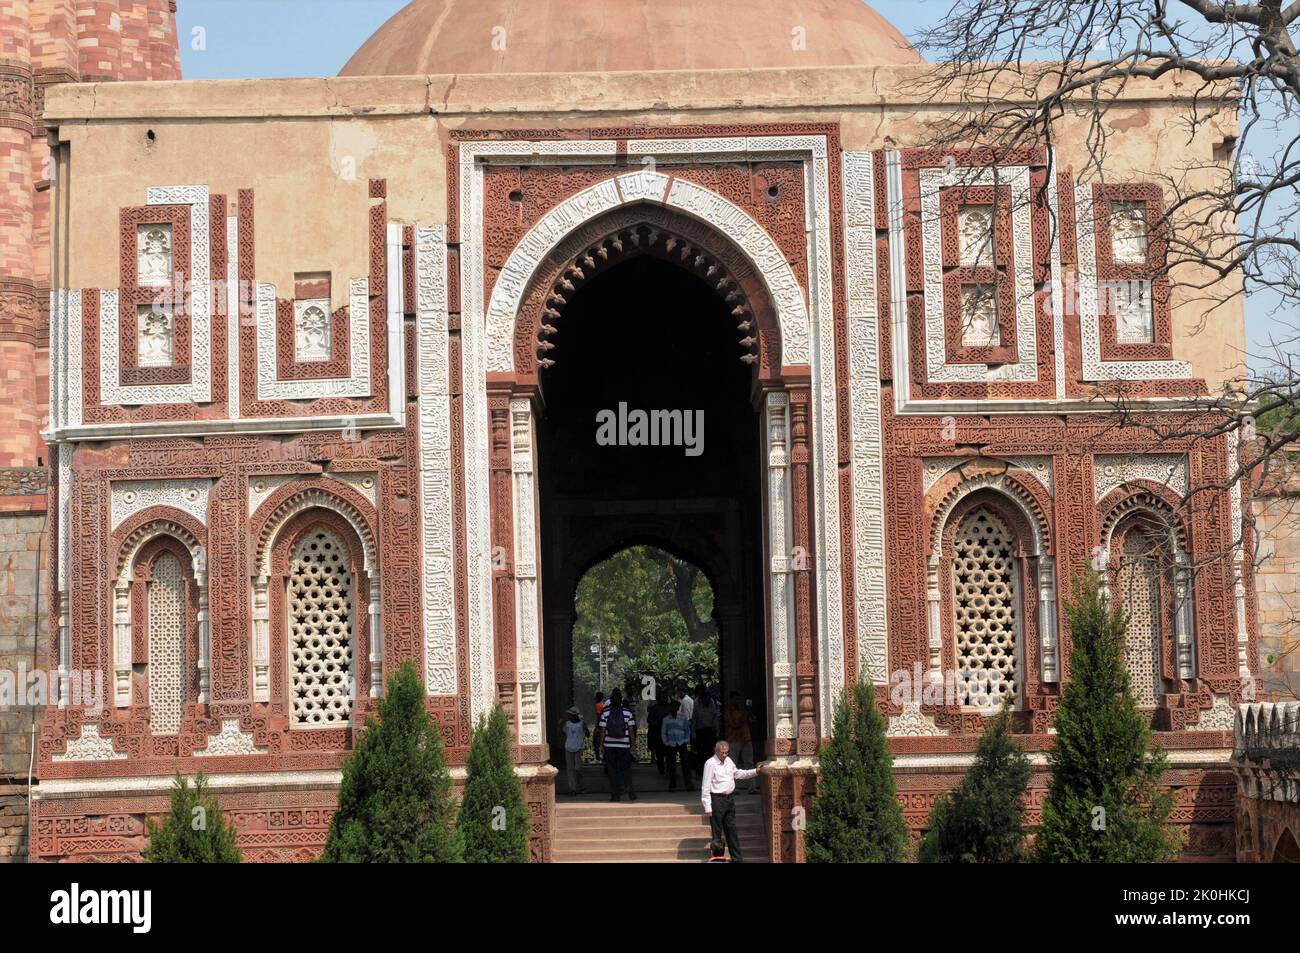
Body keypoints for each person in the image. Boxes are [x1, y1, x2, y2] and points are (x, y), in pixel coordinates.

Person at [701, 740, 757, 862]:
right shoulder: (710, 763)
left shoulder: (729, 761)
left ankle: (737, 859)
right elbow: (705, 786)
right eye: (722, 753)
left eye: (727, 752)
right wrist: (708, 807)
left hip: (729, 799)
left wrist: (755, 771)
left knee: (731, 830)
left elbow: (738, 774)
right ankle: (717, 859)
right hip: (716, 800)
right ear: (716, 751)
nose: (725, 755)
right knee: (717, 833)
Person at [598, 689, 638, 802]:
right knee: (626, 769)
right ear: (621, 701)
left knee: (612, 770)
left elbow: (602, 730)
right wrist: (633, 745)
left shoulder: (605, 712)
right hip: (624, 745)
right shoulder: (627, 712)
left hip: (609, 745)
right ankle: (629, 788)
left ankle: (615, 795)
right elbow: (631, 730)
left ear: (610, 700)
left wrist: (601, 745)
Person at [724, 691, 756, 794]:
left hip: (746, 738)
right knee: (732, 763)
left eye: (738, 699)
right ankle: (732, 788)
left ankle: (752, 787)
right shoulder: (729, 710)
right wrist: (745, 713)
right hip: (734, 739)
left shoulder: (743, 709)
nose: (737, 701)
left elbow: (753, 720)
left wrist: (749, 711)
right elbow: (735, 723)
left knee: (749, 762)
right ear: (731, 700)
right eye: (735, 699)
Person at [660, 700, 692, 790]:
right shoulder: (666, 719)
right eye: (672, 707)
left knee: (685, 764)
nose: (673, 708)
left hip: (681, 742)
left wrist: (686, 740)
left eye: (675, 707)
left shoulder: (683, 718)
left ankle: (688, 783)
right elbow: (663, 732)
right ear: (670, 708)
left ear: (678, 708)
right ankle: (672, 783)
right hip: (671, 744)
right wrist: (665, 742)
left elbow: (687, 730)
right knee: (671, 765)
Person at [560, 706, 588, 796]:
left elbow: (587, 734)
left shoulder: (582, 724)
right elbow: (562, 733)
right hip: (569, 747)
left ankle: (580, 786)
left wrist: (585, 726)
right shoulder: (567, 723)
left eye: (569, 714)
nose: (568, 715)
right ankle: (573, 788)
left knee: (578, 768)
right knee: (570, 769)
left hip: (578, 748)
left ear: (573, 715)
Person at [691, 683, 719, 774]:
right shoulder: (696, 701)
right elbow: (694, 717)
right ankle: (699, 771)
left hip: (709, 729)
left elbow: (714, 715)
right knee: (700, 752)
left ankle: (710, 771)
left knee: (710, 751)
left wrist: (716, 729)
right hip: (700, 729)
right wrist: (693, 731)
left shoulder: (710, 700)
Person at [647, 694, 667, 774]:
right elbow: (649, 719)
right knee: (660, 752)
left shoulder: (668, 707)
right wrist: (658, 724)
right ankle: (661, 767)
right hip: (658, 733)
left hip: (667, 733)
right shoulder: (654, 708)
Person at [592, 692, 606, 763]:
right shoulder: (603, 705)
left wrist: (597, 726)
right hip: (603, 726)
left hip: (599, 726)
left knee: (595, 741)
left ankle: (598, 758)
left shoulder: (597, 705)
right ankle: (602, 757)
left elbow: (599, 716)